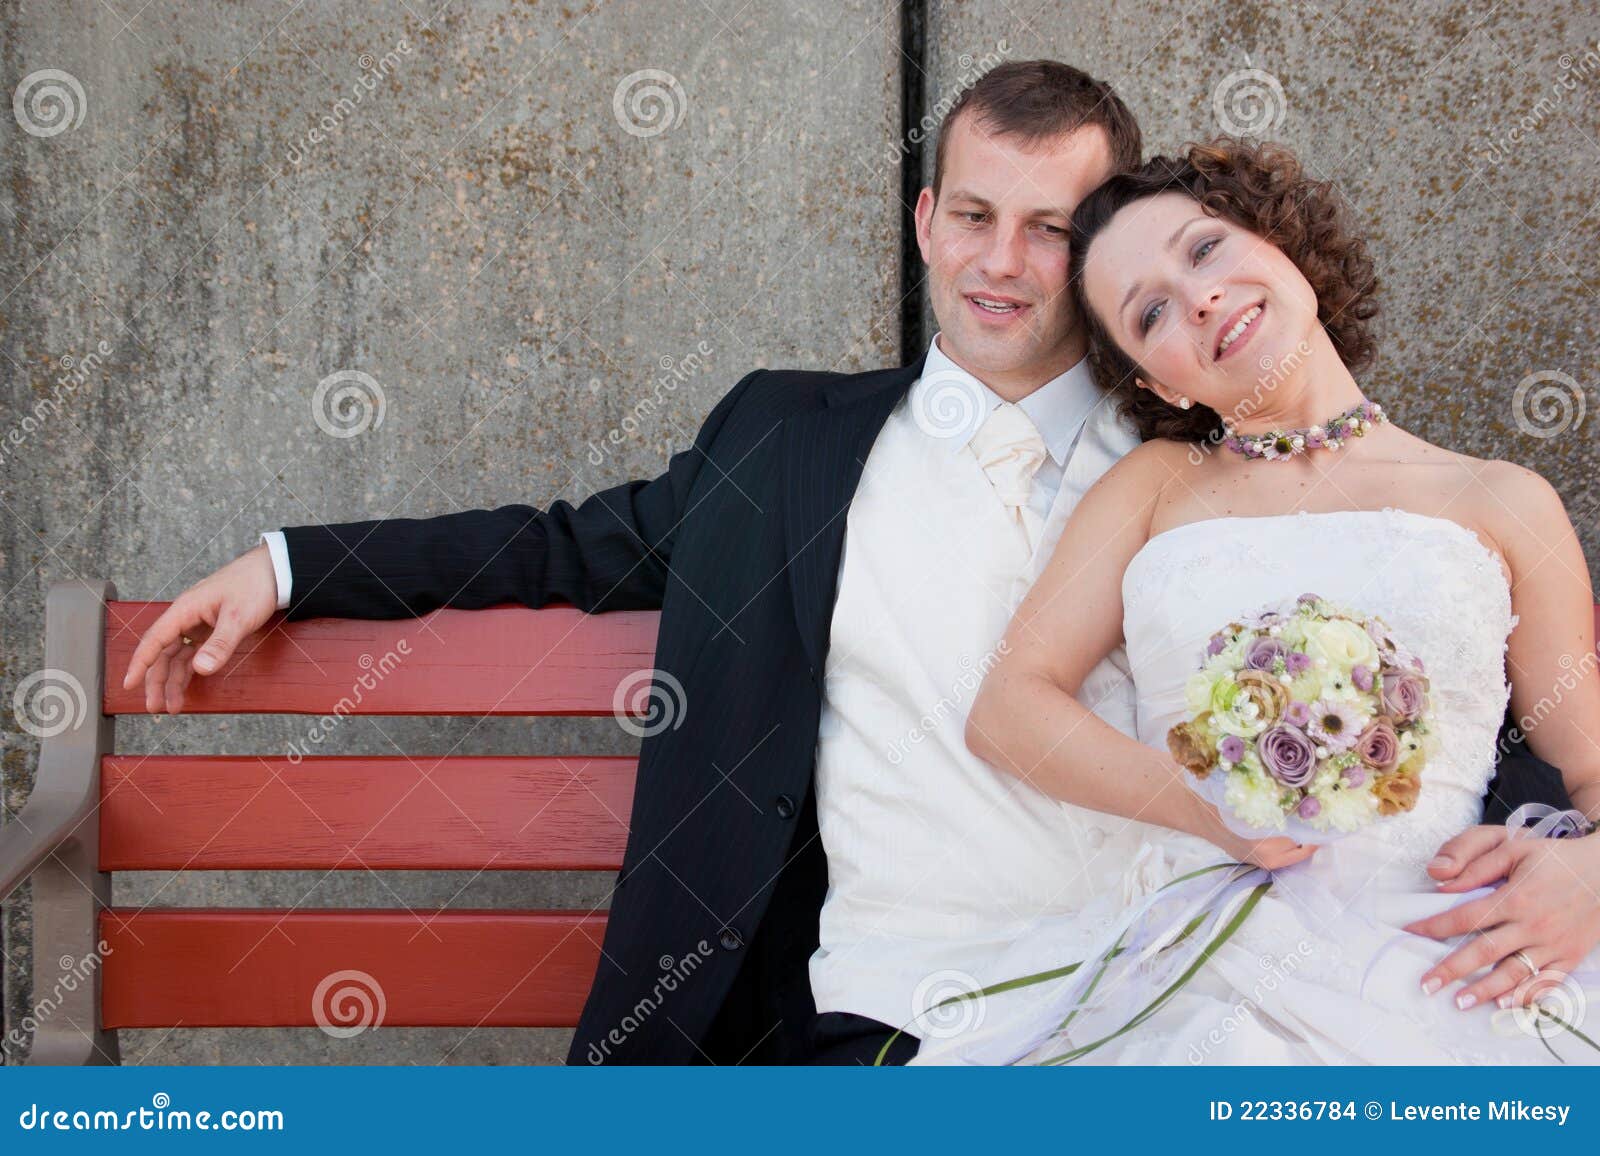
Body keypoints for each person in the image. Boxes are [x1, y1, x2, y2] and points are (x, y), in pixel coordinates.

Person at [118, 66, 1571, 1066]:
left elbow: (1438, 688)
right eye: (974, 215)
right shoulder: (791, 444)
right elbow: (567, 542)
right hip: (886, 1003)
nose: (1002, 262)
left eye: (1052, 231)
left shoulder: (1199, 470)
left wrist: (1560, 865)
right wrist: (293, 567)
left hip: (1176, 981)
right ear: (926, 221)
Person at [922, 138, 1600, 1064]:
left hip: (1442, 955)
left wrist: (1592, 876)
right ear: (1160, 383)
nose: (1198, 298)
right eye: (1151, 312)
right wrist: (1209, 814)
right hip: (1211, 955)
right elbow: (1008, 711)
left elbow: (1590, 763)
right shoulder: (1155, 487)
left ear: (1284, 244)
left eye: (1205, 249)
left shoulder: (1502, 499)